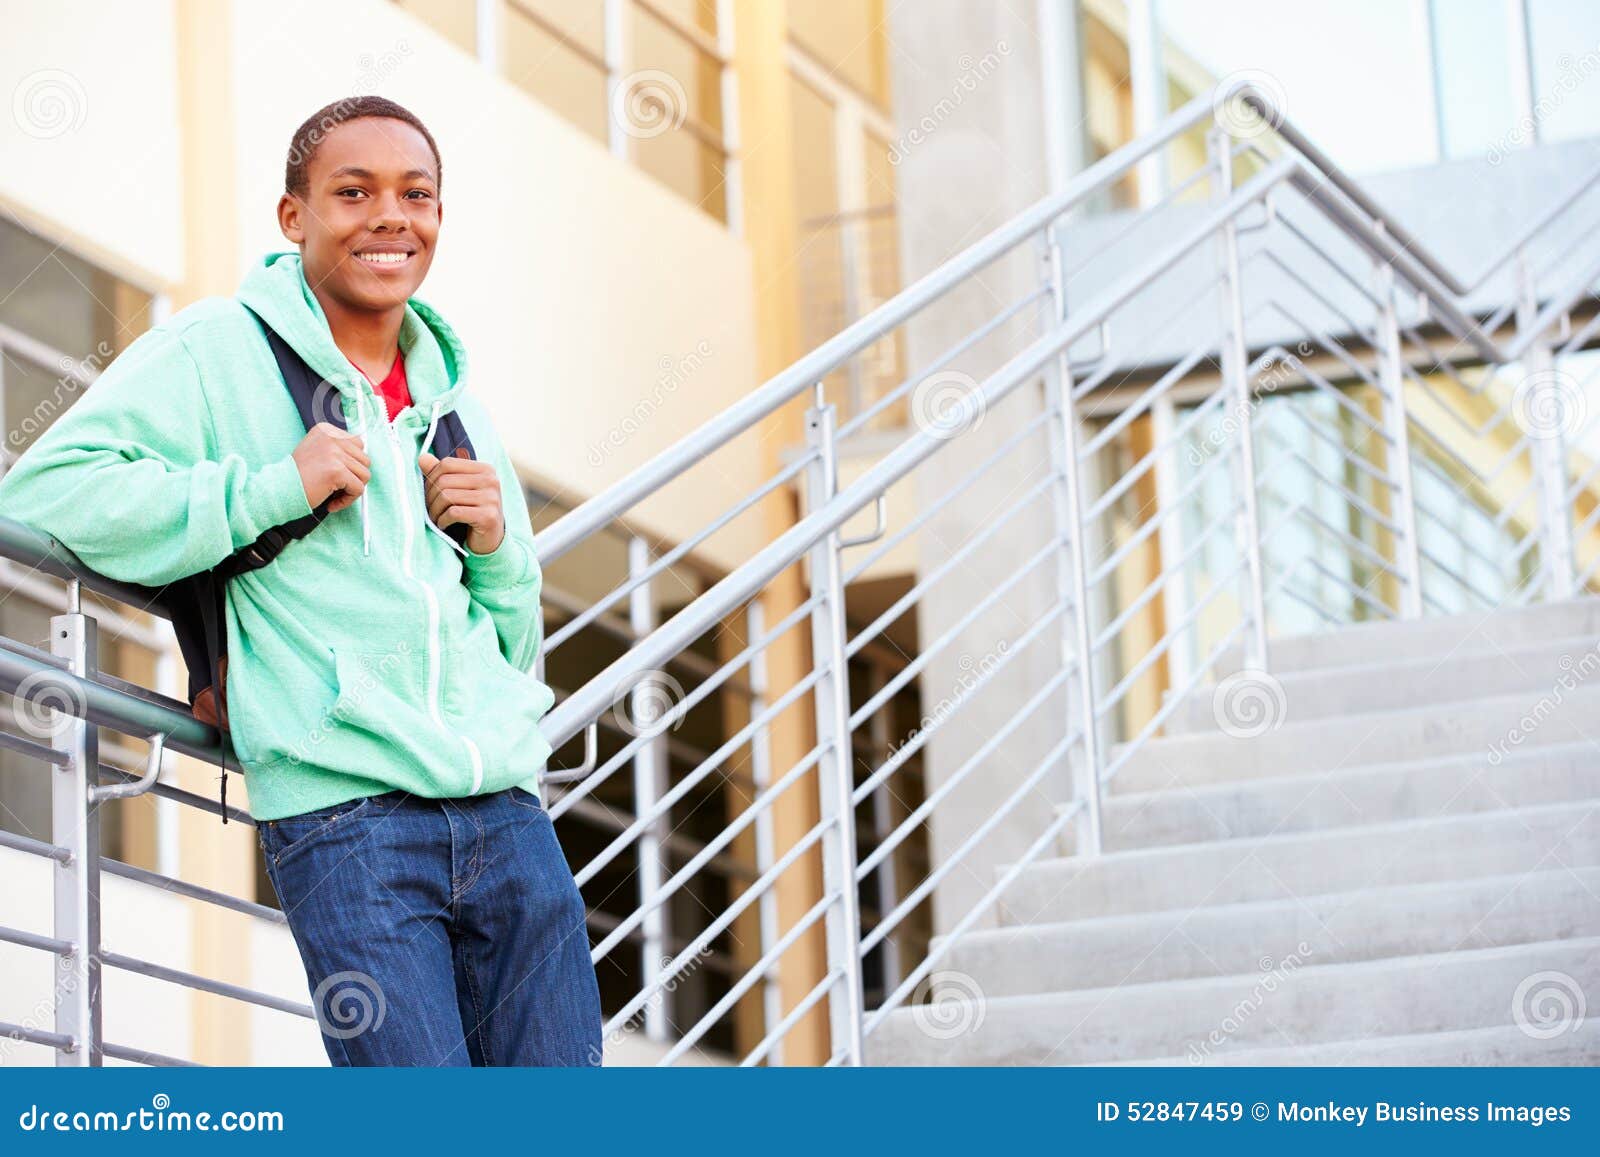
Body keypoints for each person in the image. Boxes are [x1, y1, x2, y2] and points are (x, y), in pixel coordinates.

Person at [0, 95, 603, 1067]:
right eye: (352, 192)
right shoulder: (217, 351)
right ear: (295, 217)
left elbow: (513, 644)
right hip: (348, 819)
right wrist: (270, 487)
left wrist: (493, 545)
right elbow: (53, 488)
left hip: (508, 815)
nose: (389, 217)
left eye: (417, 194)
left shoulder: (457, 406)